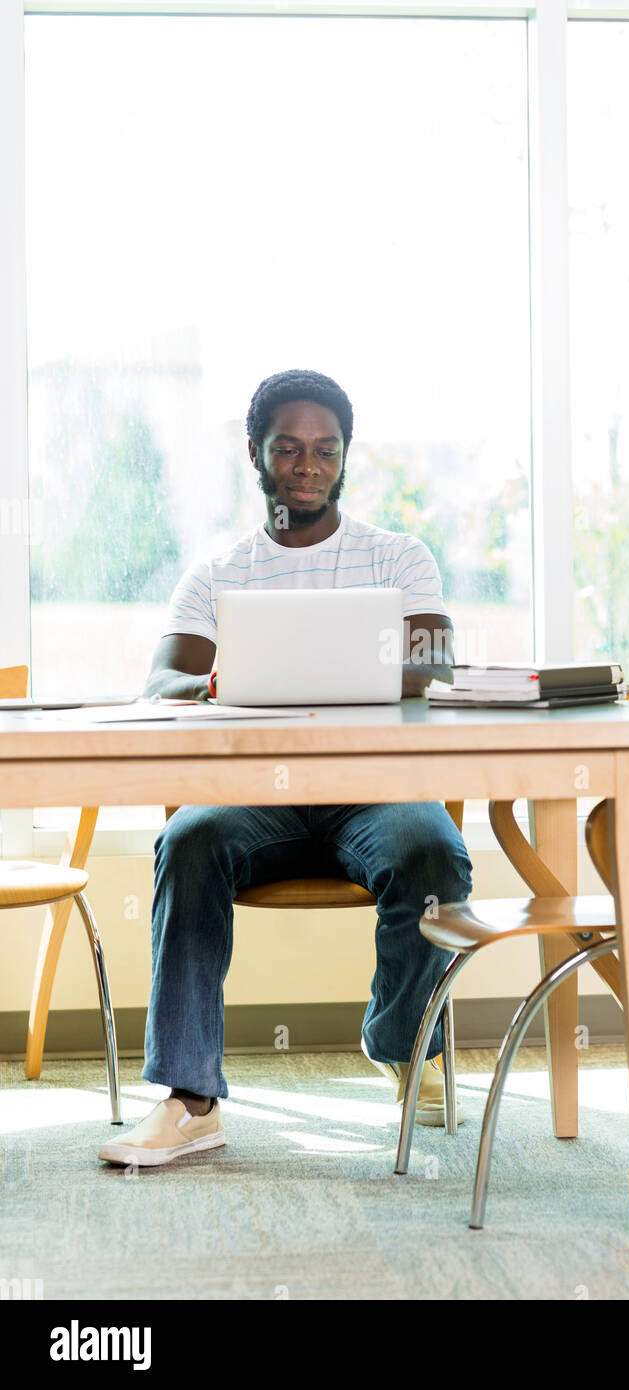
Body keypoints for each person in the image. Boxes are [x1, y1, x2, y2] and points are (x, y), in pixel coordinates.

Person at [98, 369, 473, 1167]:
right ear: (256, 456)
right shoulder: (218, 574)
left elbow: (434, 664)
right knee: (189, 842)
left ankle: (402, 1044)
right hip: (253, 802)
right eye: (289, 449)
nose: (308, 465)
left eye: (325, 450)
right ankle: (191, 1100)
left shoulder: (398, 558)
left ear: (345, 457)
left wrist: (312, 676)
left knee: (430, 851)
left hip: (375, 795)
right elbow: (162, 681)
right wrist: (214, 684)